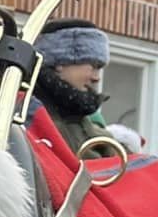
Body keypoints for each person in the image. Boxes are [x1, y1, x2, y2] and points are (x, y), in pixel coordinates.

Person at [31, 18, 110, 151]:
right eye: (94, 66)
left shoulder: (93, 131)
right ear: (60, 63)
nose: (97, 78)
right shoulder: (26, 114)